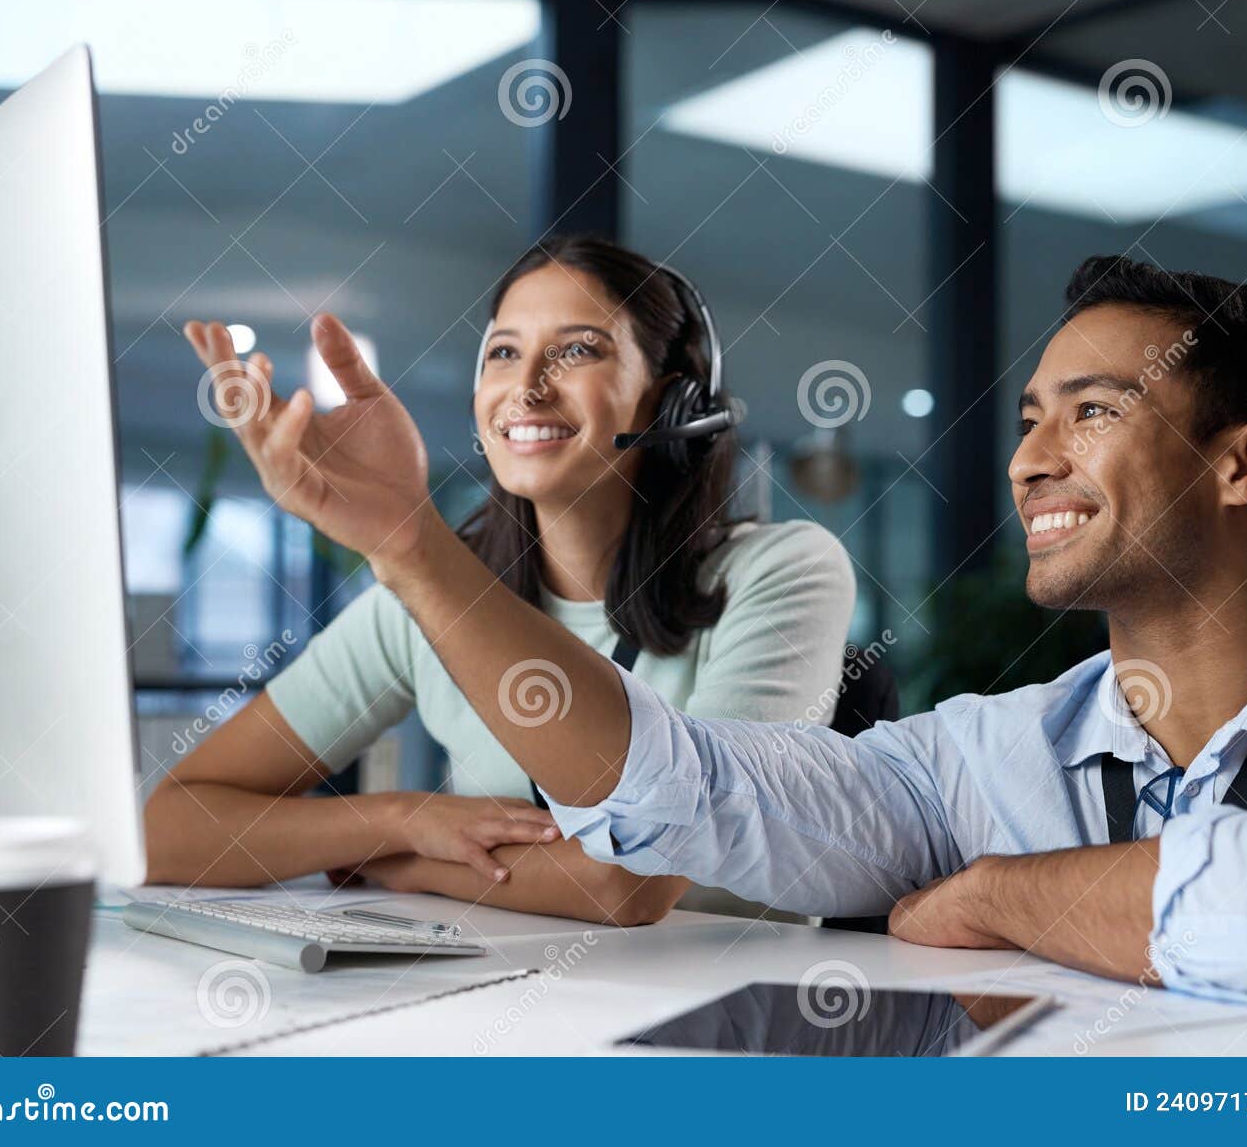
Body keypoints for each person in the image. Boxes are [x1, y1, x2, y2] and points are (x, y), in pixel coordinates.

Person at [182, 251, 1247, 1002]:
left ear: (1243, 463)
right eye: (1026, 416)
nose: (1029, 457)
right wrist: (410, 540)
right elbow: (686, 795)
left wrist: (995, 894)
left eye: (1088, 410)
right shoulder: (977, 755)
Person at [142, 236, 855, 926]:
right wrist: (401, 820)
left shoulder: (783, 572)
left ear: (671, 403)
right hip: (507, 1004)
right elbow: (165, 830)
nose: (528, 387)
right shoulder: (423, 597)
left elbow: (632, 884)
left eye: (578, 349)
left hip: (726, 1019)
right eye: (505, 352)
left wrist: (401, 864)